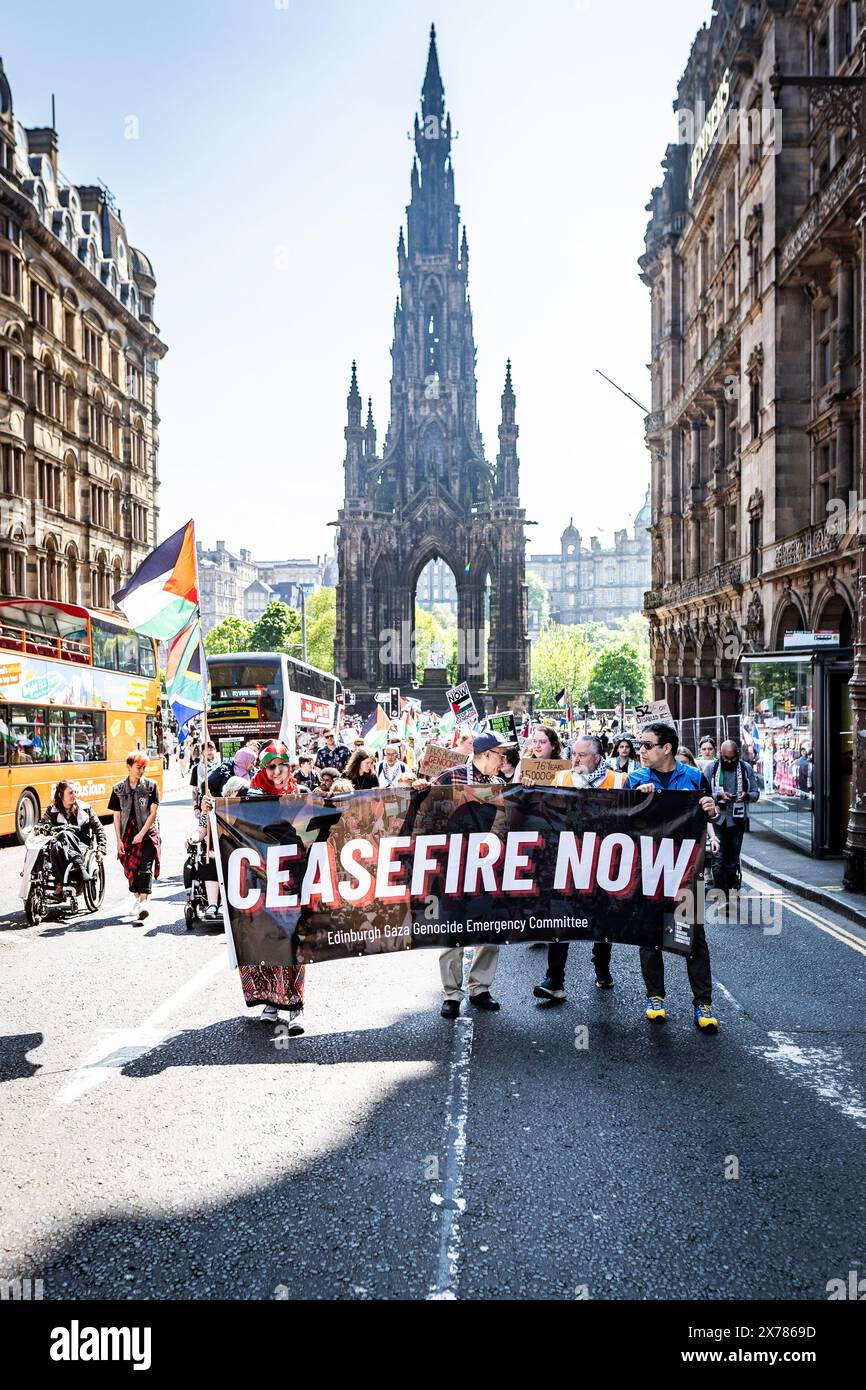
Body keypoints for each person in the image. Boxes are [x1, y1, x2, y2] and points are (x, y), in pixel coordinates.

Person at [626, 722, 721, 1032]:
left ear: (666, 748)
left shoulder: (694, 778)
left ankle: (703, 1003)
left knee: (693, 936)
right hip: (648, 869)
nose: (640, 750)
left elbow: (709, 814)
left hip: (685, 870)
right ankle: (655, 998)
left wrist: (712, 809)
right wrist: (637, 799)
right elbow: (620, 823)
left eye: (647, 745)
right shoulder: (635, 778)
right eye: (640, 745)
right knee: (649, 935)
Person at [535, 737, 625, 1001]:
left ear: (598, 758)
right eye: (573, 754)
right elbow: (544, 810)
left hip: (604, 860)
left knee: (603, 916)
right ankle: (554, 979)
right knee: (561, 916)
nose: (575, 759)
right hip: (568, 859)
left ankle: (601, 965)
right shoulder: (561, 778)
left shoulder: (619, 781)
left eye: (582, 755)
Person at [435, 732, 505, 1016]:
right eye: (501, 754)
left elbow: (508, 820)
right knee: (452, 927)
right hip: (453, 864)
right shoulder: (449, 778)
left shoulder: (501, 784)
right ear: (486, 754)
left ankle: (480, 988)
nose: (504, 760)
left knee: (489, 926)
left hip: (487, 865)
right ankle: (451, 993)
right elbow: (426, 811)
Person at [242, 741, 305, 1030]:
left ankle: (295, 1006)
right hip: (260, 880)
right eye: (272, 766)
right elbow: (227, 826)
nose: (278, 771)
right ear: (263, 768)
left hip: (292, 880)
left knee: (292, 941)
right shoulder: (248, 795)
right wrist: (210, 807)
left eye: (283, 765)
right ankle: (270, 999)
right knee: (264, 939)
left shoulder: (300, 794)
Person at [109, 752, 161, 922]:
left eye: (144, 768)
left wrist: (141, 834)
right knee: (131, 870)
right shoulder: (118, 789)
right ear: (129, 767)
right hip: (127, 835)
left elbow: (153, 814)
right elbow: (116, 817)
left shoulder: (151, 786)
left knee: (145, 867)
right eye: (138, 767)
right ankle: (137, 900)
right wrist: (118, 840)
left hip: (148, 832)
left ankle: (144, 903)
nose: (141, 771)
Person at [35, 780, 106, 901]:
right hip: (60, 847)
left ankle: (62, 884)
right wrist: (40, 829)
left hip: (81, 845)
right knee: (58, 843)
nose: (74, 795)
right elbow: (42, 825)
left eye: (75, 792)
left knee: (65, 834)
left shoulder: (85, 809)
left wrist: (101, 849)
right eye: (71, 792)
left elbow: (99, 829)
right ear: (60, 794)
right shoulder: (52, 810)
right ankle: (73, 874)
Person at [708, 739, 760, 893]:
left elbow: (756, 793)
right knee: (718, 860)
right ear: (720, 755)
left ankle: (730, 886)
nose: (729, 761)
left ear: (738, 754)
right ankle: (721, 895)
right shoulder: (712, 768)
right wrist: (718, 796)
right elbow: (702, 793)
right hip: (717, 820)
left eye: (732, 758)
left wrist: (746, 796)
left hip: (737, 821)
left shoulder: (746, 768)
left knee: (732, 861)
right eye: (725, 758)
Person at [190, 740, 219, 809]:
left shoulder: (222, 766)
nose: (209, 752)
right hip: (203, 803)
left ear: (215, 750)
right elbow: (195, 790)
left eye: (211, 749)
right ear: (202, 753)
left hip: (219, 802)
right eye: (206, 750)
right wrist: (196, 807)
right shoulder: (196, 768)